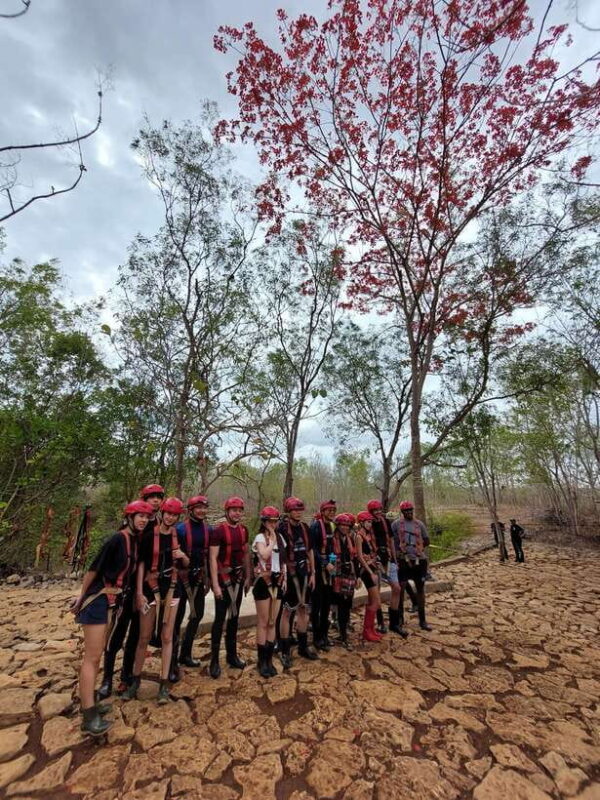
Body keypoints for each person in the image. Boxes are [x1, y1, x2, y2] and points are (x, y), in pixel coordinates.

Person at [72, 500, 152, 735]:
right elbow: (94, 569)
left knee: (95, 657)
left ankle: (91, 704)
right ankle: (88, 716)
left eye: (146, 517)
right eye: (139, 516)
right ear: (129, 517)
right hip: (97, 600)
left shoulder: (135, 542)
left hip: (111, 600)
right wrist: (81, 597)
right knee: (93, 657)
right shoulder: (117, 539)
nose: (143, 520)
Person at [97, 483, 165, 699]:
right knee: (116, 635)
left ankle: (127, 676)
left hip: (145, 589)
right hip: (124, 589)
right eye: (151, 497)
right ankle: (107, 678)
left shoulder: (158, 525)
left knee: (136, 635)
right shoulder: (129, 526)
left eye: (158, 497)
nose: (155, 500)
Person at [124, 497, 188, 703]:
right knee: (143, 637)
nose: (170, 517)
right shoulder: (149, 535)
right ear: (162, 513)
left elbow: (186, 562)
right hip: (151, 589)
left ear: (178, 516)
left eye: (174, 515)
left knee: (167, 637)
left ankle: (163, 683)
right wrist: (139, 592)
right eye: (168, 513)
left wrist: (183, 555)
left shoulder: (179, 536)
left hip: (172, 589)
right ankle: (135, 680)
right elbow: (141, 563)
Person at [209, 496, 251, 678]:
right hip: (223, 580)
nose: (237, 513)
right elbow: (212, 558)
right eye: (234, 510)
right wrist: (215, 585)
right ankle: (214, 660)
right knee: (219, 620)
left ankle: (232, 655)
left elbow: (246, 554)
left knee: (234, 617)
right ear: (227, 512)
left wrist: (249, 576)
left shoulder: (243, 530)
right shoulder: (218, 531)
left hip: (238, 579)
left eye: (240, 510)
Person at [278, 497, 318, 668]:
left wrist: (313, 573)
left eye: (300, 509)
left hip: (304, 573)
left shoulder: (305, 528)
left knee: (303, 609)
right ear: (288, 511)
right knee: (287, 612)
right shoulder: (281, 529)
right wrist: (282, 576)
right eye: (295, 510)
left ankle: (302, 647)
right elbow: (278, 554)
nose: (298, 512)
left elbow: (309, 551)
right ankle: (284, 650)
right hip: (290, 574)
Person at [172, 495, 211, 672]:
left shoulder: (208, 529)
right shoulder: (179, 530)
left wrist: (208, 578)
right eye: (198, 507)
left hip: (198, 577)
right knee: (177, 618)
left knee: (197, 614)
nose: (202, 510)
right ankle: (172, 660)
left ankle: (185, 654)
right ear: (190, 509)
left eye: (204, 507)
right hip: (181, 579)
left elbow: (208, 556)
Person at [368, 499, 413, 636]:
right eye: (375, 511)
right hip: (376, 560)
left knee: (397, 588)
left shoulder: (385, 522)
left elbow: (391, 540)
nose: (378, 513)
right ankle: (379, 622)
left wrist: (394, 558)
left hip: (388, 558)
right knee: (377, 593)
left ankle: (394, 623)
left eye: (379, 510)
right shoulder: (368, 525)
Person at [252, 506, 287, 678]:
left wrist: (285, 576)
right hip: (263, 582)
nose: (273, 524)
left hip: (277, 581)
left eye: (275, 521)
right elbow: (264, 555)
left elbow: (283, 559)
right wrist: (272, 539)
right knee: (263, 621)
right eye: (270, 521)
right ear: (264, 522)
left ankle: (268, 658)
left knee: (273, 621)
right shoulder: (260, 538)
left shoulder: (280, 538)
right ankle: (261, 661)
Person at [391, 501, 432, 632]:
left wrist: (418, 548)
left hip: (419, 561)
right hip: (403, 561)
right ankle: (400, 619)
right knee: (401, 589)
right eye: (406, 511)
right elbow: (392, 541)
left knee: (420, 590)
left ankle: (422, 620)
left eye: (410, 510)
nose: (409, 513)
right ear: (402, 512)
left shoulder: (419, 524)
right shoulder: (396, 524)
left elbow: (426, 540)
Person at [309, 499, 336, 651]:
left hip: (330, 568)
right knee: (317, 605)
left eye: (333, 510)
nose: (332, 512)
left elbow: (332, 545)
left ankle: (325, 635)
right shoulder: (315, 527)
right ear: (323, 511)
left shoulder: (331, 526)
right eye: (329, 510)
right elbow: (312, 549)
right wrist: (325, 563)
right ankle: (317, 637)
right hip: (319, 570)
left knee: (327, 603)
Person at [330, 513, 358, 649]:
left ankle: (344, 629)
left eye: (347, 526)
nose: (345, 528)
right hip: (337, 575)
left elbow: (354, 558)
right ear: (337, 526)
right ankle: (342, 634)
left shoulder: (350, 539)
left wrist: (356, 576)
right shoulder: (331, 539)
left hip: (349, 574)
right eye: (343, 525)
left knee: (347, 604)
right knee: (340, 604)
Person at [355, 511, 383, 643]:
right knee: (376, 602)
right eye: (367, 522)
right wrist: (370, 571)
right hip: (366, 571)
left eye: (371, 522)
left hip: (372, 567)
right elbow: (360, 557)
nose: (370, 524)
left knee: (374, 601)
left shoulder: (368, 535)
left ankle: (370, 629)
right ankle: (367, 631)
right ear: (361, 523)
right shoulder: (359, 536)